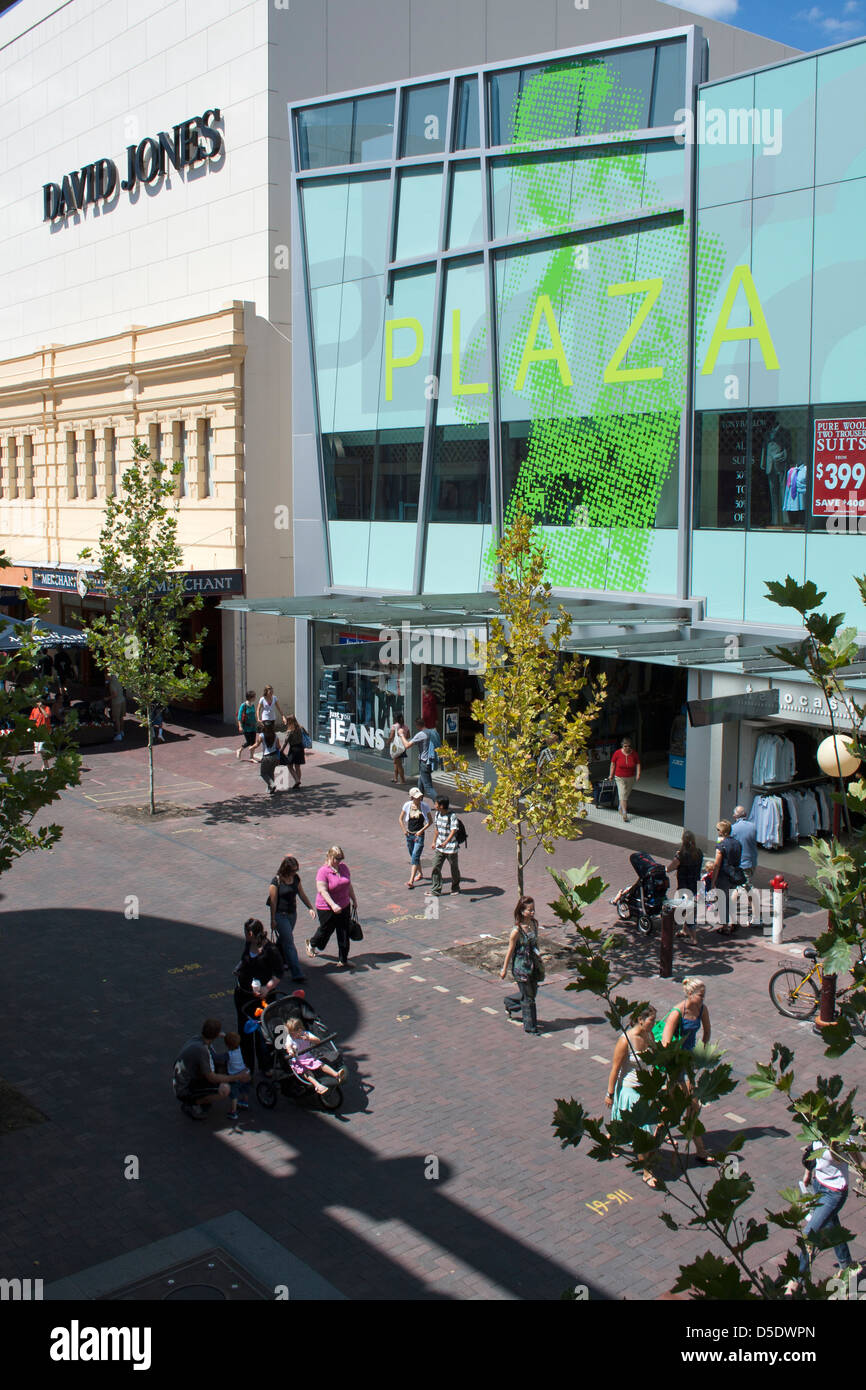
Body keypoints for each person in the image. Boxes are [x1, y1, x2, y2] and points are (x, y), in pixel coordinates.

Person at [785, 1141, 861, 1292]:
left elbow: (859, 1161)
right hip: (818, 1184)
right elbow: (813, 1148)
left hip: (834, 1193)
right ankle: (847, 1265)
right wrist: (807, 1172)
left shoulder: (844, 1139)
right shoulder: (818, 1127)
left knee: (809, 1235)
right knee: (831, 1224)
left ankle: (796, 1283)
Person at [661, 978, 715, 1164]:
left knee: (672, 1103)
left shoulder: (702, 1009)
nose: (703, 999)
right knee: (693, 1104)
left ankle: (661, 1131)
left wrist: (701, 1051)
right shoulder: (677, 1012)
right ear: (690, 994)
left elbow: (707, 1032)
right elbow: (666, 1043)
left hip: (689, 1062)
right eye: (700, 995)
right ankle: (700, 1150)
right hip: (676, 1063)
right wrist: (676, 1064)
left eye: (704, 995)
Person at [605, 1005, 660, 1186]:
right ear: (640, 1020)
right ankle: (647, 1172)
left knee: (624, 1124)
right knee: (642, 1132)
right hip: (629, 1089)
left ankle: (611, 1140)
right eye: (651, 1021)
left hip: (644, 1088)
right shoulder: (625, 1041)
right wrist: (610, 1093)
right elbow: (615, 1068)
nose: (653, 1025)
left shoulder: (649, 1035)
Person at [233, 919, 284, 1073]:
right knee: (244, 1032)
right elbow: (245, 961)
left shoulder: (271, 950)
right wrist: (239, 967)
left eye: (245, 933)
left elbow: (278, 974)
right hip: (243, 997)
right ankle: (247, 1066)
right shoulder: (249, 944)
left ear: (250, 934)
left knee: (263, 1034)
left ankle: (265, 1066)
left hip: (262, 999)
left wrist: (267, 988)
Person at [173, 1019, 250, 1121]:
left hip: (184, 1079)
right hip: (184, 1089)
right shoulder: (203, 1051)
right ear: (215, 1035)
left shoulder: (197, 1039)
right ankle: (192, 1104)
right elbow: (212, 1077)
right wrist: (237, 1077)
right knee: (224, 1089)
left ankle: (201, 1097)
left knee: (220, 1069)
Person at [307, 845, 358, 969]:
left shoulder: (344, 868)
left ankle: (343, 959)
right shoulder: (323, 871)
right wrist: (333, 905)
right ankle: (312, 943)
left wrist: (354, 899)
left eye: (341, 859)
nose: (339, 862)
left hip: (344, 905)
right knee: (326, 930)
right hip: (326, 907)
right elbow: (323, 891)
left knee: (343, 932)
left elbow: (348, 885)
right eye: (337, 859)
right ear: (330, 856)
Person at [267, 854, 316, 982]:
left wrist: (310, 907)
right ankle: (297, 973)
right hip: (280, 915)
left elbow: (301, 893)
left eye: (296, 870)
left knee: (283, 939)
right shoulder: (276, 882)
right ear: (286, 869)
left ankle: (274, 961)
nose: (295, 872)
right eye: (293, 870)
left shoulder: (295, 879)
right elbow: (273, 902)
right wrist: (272, 919)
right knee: (289, 942)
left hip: (292, 915)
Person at [500, 895, 543, 1035]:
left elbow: (535, 943)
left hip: (534, 965)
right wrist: (504, 969)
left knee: (532, 992)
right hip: (521, 968)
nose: (532, 912)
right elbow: (510, 951)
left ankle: (510, 1002)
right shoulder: (516, 931)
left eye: (533, 909)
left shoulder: (534, 925)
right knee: (529, 999)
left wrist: (539, 955)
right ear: (522, 911)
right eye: (529, 910)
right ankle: (531, 1027)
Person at [281, 1016, 348, 1095]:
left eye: (293, 1033)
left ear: (300, 1030)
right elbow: (288, 1046)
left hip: (307, 1056)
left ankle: (336, 1074)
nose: (292, 1035)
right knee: (306, 1072)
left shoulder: (306, 1034)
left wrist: (308, 1039)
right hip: (297, 1059)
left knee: (321, 1064)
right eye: (290, 1033)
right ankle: (317, 1085)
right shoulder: (290, 1038)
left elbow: (317, 1041)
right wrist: (291, 1051)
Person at [668, 829, 703, 946]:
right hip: (694, 884)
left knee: (688, 911)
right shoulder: (698, 853)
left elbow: (671, 867)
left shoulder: (681, 855)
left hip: (684, 885)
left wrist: (666, 869)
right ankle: (684, 930)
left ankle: (694, 938)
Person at [709, 819, 743, 934]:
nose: (717, 831)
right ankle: (734, 922)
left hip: (723, 875)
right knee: (731, 900)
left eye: (718, 829)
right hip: (734, 874)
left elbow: (717, 865)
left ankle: (724, 926)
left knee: (723, 901)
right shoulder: (737, 843)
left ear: (722, 831)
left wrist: (713, 881)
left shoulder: (721, 845)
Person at [399, 787, 432, 889]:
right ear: (412, 797)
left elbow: (430, 821)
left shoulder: (425, 807)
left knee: (414, 856)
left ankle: (411, 880)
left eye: (420, 797)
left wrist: (421, 831)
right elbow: (400, 819)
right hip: (409, 834)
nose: (419, 799)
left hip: (419, 835)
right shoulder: (407, 805)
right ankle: (420, 874)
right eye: (417, 797)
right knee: (414, 856)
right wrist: (404, 830)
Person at [430, 795, 461, 896]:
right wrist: (434, 842)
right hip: (440, 847)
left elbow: (453, 830)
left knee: (454, 868)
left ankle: (455, 887)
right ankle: (436, 889)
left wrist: (446, 842)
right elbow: (436, 829)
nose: (434, 805)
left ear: (441, 806)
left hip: (451, 848)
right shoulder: (437, 814)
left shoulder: (452, 816)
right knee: (435, 866)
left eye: (436, 804)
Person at [609, 737, 640, 822]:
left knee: (626, 794)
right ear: (622, 746)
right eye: (625, 746)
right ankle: (625, 813)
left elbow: (638, 764)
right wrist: (611, 775)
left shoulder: (634, 754)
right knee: (622, 794)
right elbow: (613, 764)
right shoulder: (617, 753)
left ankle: (620, 806)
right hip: (619, 777)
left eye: (629, 746)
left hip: (631, 777)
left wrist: (638, 774)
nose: (627, 748)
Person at [407, 717, 438, 799]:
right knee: (420, 782)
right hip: (431, 761)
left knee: (428, 787)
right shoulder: (432, 732)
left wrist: (402, 735)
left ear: (417, 726)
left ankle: (439, 804)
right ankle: (419, 802)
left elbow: (407, 745)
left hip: (424, 762)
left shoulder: (421, 734)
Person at [252, 721, 285, 795]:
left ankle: (272, 785)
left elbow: (257, 744)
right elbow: (278, 747)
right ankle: (271, 790)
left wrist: (251, 747)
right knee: (270, 773)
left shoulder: (262, 735)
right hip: (275, 756)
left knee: (263, 773)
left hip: (266, 757)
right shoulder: (275, 735)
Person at [223, 1030, 250, 1119]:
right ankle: (245, 1102)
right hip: (244, 1072)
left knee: (233, 1095)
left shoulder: (228, 1054)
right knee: (244, 1089)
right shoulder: (238, 1048)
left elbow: (217, 1058)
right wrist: (225, 1035)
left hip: (235, 1076)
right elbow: (232, 1041)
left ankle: (233, 1111)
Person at [730, 806, 758, 888]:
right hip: (752, 860)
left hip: (741, 862)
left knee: (744, 886)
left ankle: (752, 899)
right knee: (746, 882)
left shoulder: (733, 829)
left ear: (735, 816)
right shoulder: (753, 826)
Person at [282, 715, 306, 788]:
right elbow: (307, 734)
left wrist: (281, 750)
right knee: (297, 766)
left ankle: (297, 780)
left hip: (293, 749)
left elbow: (285, 742)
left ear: (290, 721)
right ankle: (297, 781)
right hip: (301, 748)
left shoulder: (290, 731)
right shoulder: (301, 728)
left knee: (289, 765)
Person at [29, 695, 51, 762]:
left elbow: (46, 716)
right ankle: (45, 765)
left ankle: (46, 764)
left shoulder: (47, 708)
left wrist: (41, 708)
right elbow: (31, 720)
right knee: (38, 751)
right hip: (37, 731)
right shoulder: (34, 710)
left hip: (45, 731)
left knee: (40, 749)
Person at [236, 690, 258, 760]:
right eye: (254, 696)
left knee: (253, 742)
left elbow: (253, 716)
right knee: (249, 742)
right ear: (250, 697)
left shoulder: (253, 705)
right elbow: (239, 717)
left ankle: (251, 756)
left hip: (253, 727)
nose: (255, 698)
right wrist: (240, 726)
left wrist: (257, 722)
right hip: (246, 727)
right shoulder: (243, 705)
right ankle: (239, 750)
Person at [389, 715, 410, 784]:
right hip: (402, 747)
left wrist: (388, 742)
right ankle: (395, 778)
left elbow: (391, 736)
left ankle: (402, 780)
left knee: (399, 764)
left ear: (395, 719)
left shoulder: (394, 726)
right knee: (396, 762)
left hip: (396, 747)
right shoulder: (406, 727)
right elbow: (408, 736)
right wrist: (402, 737)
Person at [107, 672, 126, 742]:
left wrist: (107, 698)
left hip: (116, 702)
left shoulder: (112, 684)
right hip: (122, 700)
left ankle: (118, 734)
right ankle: (121, 731)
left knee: (116, 718)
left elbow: (115, 694)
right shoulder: (118, 680)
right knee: (121, 717)